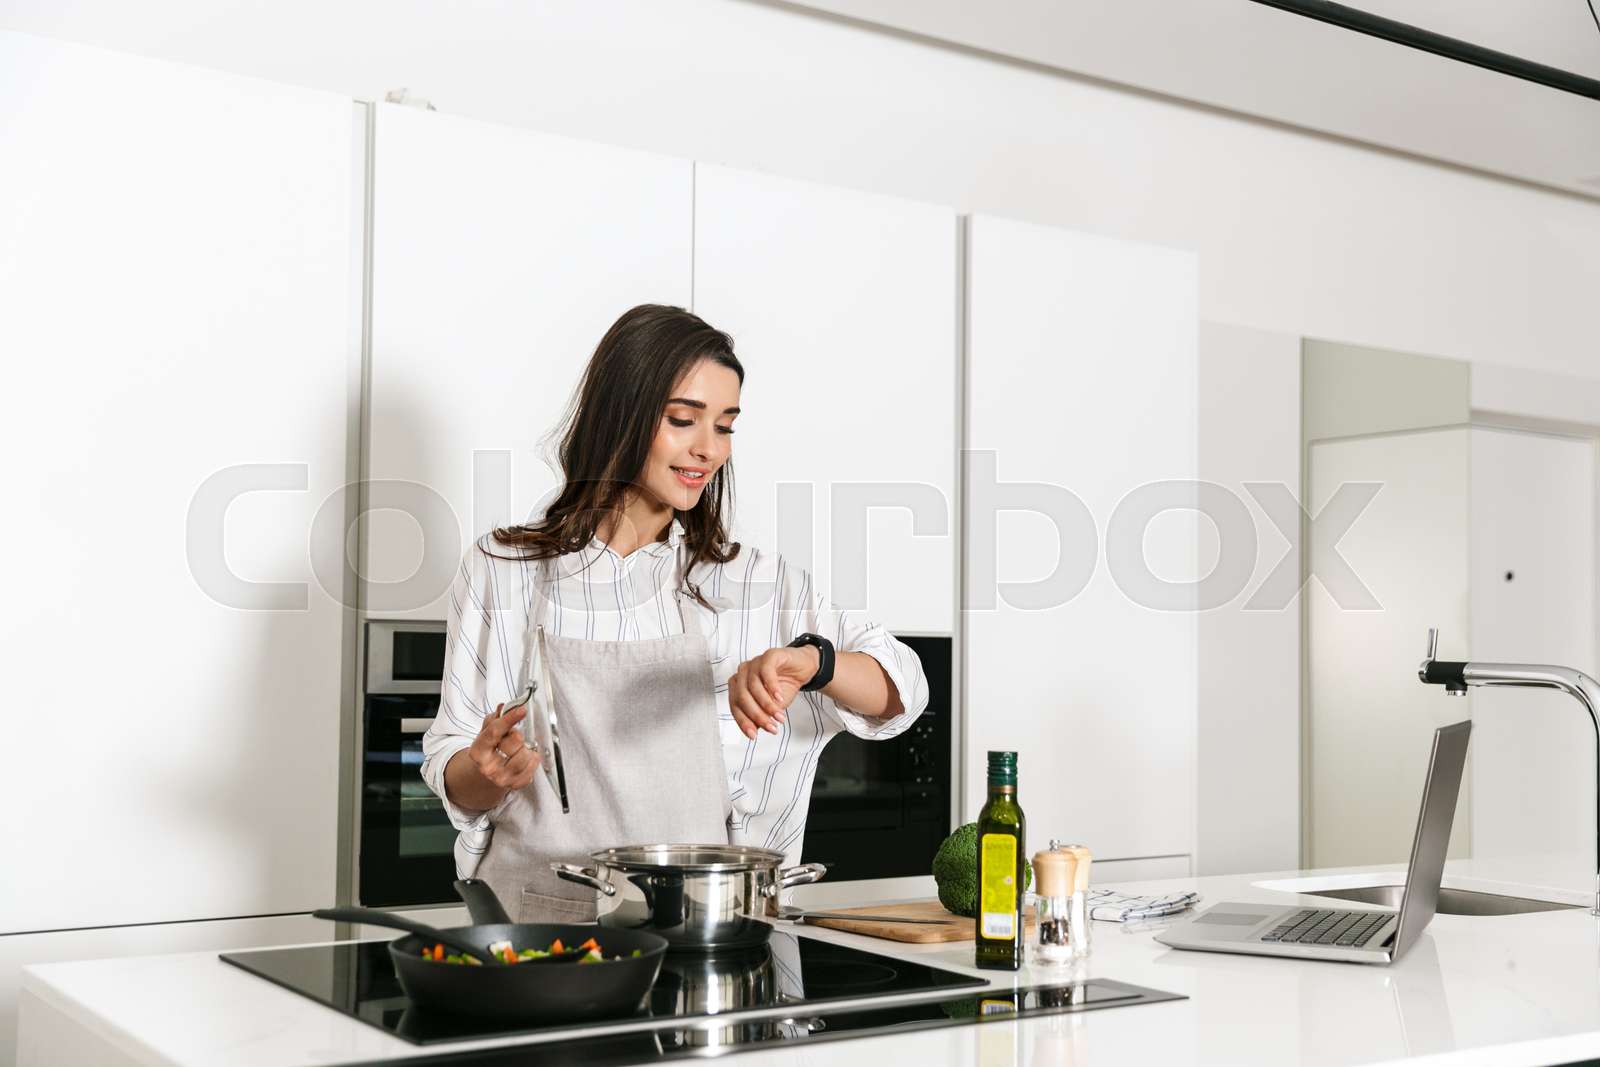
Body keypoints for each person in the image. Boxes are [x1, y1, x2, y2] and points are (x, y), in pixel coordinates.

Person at [420, 304, 928, 921]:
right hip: (535, 935)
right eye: (683, 420)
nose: (708, 450)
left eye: (726, 425)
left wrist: (812, 663)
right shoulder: (504, 569)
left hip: (705, 933)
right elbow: (453, 761)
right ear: (619, 417)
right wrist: (486, 772)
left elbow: (902, 687)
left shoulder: (757, 582)